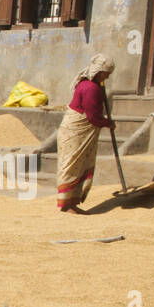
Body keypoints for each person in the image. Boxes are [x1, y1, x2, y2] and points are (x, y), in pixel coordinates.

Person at [56, 54, 115, 213]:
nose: (107, 77)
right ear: (99, 72)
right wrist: (108, 123)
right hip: (76, 133)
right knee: (72, 166)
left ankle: (72, 203)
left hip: (77, 133)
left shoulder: (91, 85)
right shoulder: (90, 88)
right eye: (106, 73)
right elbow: (93, 117)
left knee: (78, 166)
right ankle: (66, 205)